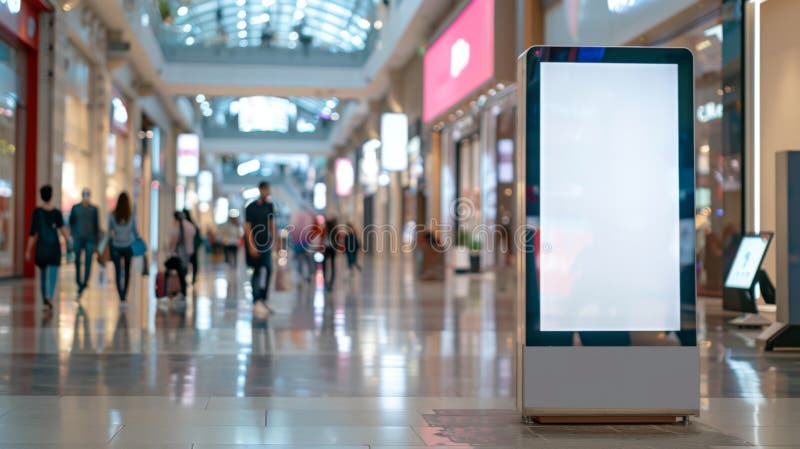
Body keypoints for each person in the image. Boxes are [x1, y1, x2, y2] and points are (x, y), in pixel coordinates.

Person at [25, 185, 70, 312]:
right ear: (51, 195)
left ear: (41, 195)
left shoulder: (37, 212)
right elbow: (62, 230)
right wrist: (69, 242)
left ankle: (45, 298)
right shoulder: (56, 213)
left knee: (43, 274)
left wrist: (28, 250)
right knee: (53, 273)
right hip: (54, 246)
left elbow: (33, 233)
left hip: (42, 246)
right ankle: (49, 295)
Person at [244, 181, 277, 313]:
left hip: (266, 243)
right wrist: (251, 245)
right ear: (260, 190)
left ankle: (264, 298)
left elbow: (271, 224)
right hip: (254, 243)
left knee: (268, 269)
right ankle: (256, 299)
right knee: (256, 271)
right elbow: (247, 227)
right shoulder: (251, 207)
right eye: (265, 189)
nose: (267, 192)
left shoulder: (269, 206)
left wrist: (275, 241)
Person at [108, 192, 140, 305]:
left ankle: (120, 295)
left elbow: (109, 231)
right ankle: (124, 296)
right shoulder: (131, 216)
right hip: (128, 246)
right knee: (127, 271)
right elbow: (135, 232)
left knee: (117, 271)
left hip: (116, 245)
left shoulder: (112, 215)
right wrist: (138, 239)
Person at [69, 188, 100, 296]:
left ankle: (85, 282)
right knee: (77, 260)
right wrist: (73, 235)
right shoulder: (75, 208)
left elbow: (96, 226)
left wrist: (96, 242)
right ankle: (79, 281)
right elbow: (71, 222)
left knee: (88, 261)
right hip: (78, 238)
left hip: (90, 239)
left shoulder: (94, 210)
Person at [167, 211, 196, 298]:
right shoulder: (188, 225)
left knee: (180, 272)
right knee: (184, 270)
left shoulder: (177, 226)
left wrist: (170, 250)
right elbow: (193, 233)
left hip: (179, 253)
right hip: (187, 252)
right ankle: (183, 290)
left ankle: (182, 290)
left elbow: (172, 240)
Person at [288, 205, 315, 282]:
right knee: (308, 259)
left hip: (297, 243)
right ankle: (310, 274)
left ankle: (301, 274)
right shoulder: (308, 216)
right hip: (305, 242)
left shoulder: (295, 216)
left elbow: (292, 229)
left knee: (300, 260)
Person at [182, 209, 201, 285]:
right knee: (194, 264)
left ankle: (187, 279)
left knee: (186, 263)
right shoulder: (193, 225)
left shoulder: (186, 226)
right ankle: (192, 279)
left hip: (188, 249)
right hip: (192, 248)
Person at [322, 217, 338, 291]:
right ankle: (330, 280)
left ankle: (325, 279)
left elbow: (322, 239)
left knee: (325, 265)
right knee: (332, 265)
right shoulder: (334, 231)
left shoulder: (326, 230)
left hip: (327, 248)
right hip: (332, 249)